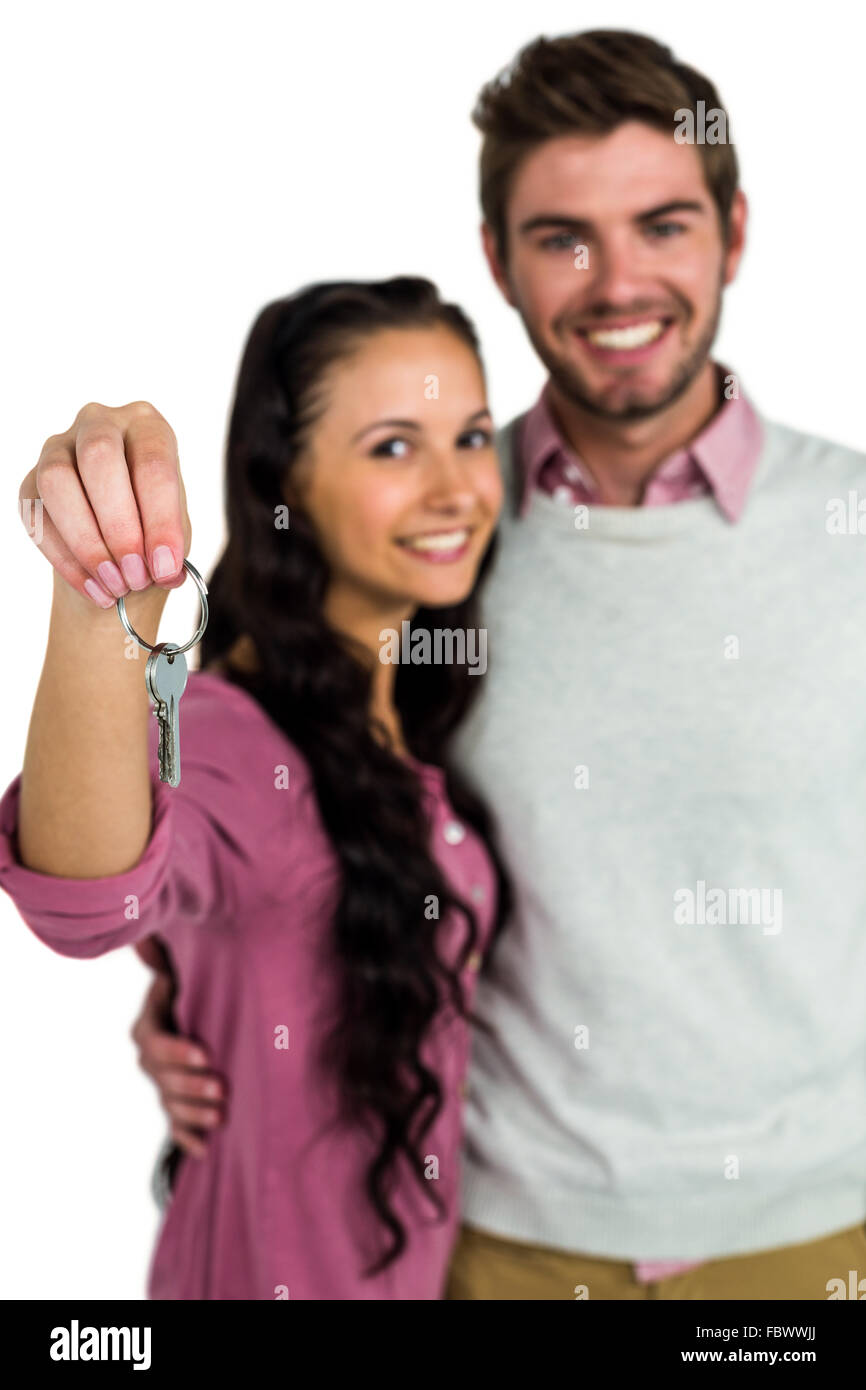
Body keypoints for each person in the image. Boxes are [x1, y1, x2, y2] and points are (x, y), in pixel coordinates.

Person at [136, 29, 866, 1300]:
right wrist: (190, 1004)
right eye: (560, 237)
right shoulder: (432, 539)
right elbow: (294, 796)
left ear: (732, 234)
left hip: (808, 1238)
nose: (615, 279)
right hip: (493, 1245)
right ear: (499, 259)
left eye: (661, 224)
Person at [0, 276, 513, 1299]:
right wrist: (103, 598)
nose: (457, 487)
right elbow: (87, 894)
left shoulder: (408, 723)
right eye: (393, 446)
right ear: (288, 481)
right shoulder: (239, 739)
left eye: (472, 435)